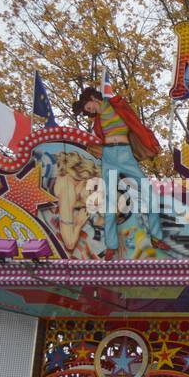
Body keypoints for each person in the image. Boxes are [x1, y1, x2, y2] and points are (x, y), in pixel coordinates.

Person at [72, 85, 168, 259]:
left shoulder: (117, 104)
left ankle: (156, 237)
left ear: (93, 98)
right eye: (87, 110)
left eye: (88, 107)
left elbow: (134, 122)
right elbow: (100, 138)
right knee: (109, 201)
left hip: (125, 154)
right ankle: (111, 246)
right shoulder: (97, 122)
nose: (90, 111)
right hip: (109, 156)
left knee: (149, 192)